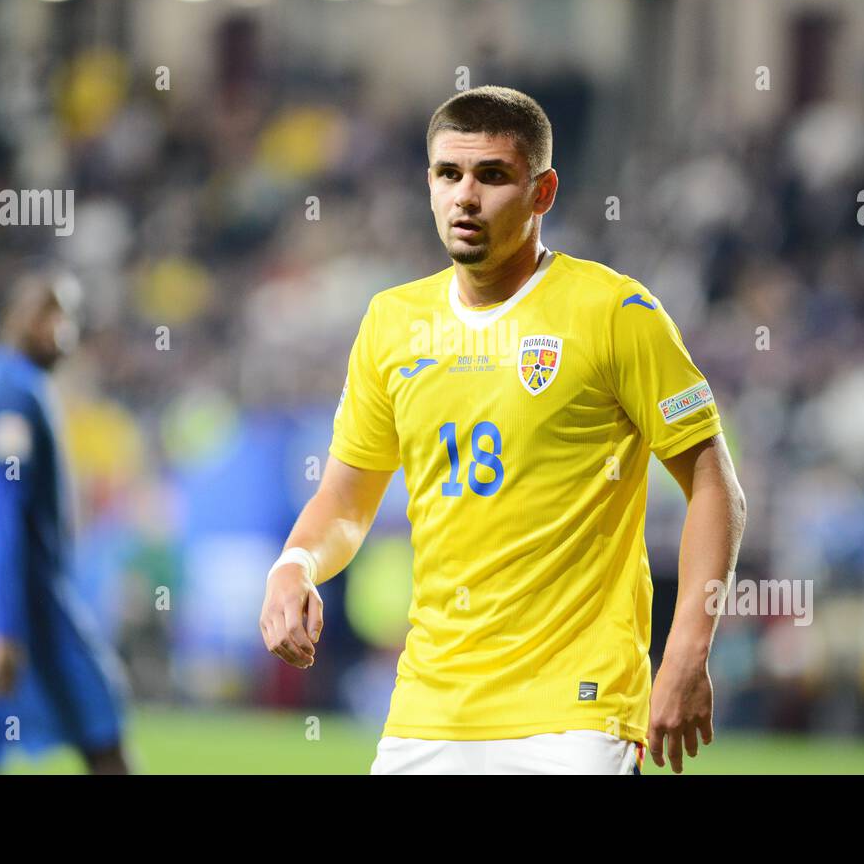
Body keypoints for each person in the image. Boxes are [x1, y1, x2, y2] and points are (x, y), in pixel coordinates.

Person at [260, 86, 746, 774]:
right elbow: (346, 497)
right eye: (448, 174)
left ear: (543, 191)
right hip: (429, 707)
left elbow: (713, 484)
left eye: (492, 176)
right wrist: (294, 564)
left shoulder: (614, 311)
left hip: (575, 712)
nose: (465, 196)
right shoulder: (392, 323)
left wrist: (687, 653)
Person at [0, 270, 130, 773]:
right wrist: (3, 626)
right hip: (23, 612)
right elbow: (0, 516)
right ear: (37, 321)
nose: (69, 332)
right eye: (60, 315)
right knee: (103, 733)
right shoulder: (15, 396)